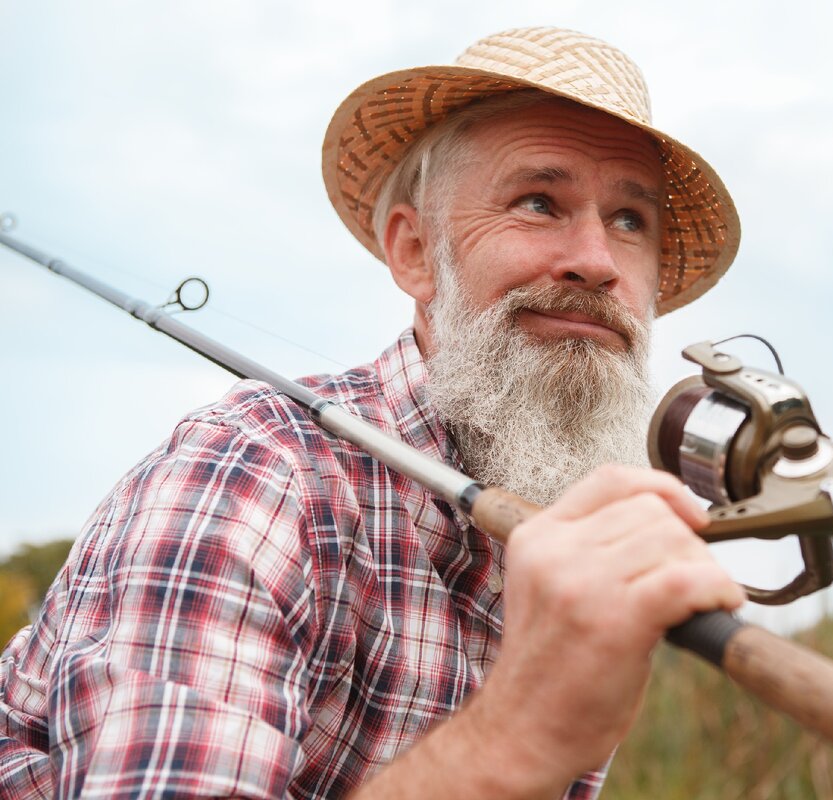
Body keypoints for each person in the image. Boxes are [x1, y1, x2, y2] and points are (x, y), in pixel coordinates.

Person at [0, 26, 744, 799]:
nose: (596, 259)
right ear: (415, 253)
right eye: (538, 201)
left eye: (631, 220)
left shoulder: (565, 549)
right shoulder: (254, 473)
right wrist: (520, 737)